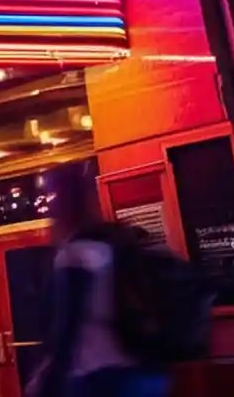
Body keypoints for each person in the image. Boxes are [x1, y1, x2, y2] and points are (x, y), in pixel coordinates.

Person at [27, 163, 170, 397]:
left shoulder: (74, 254)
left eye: (51, 197)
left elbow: (67, 326)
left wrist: (45, 380)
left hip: (99, 377)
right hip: (146, 372)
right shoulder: (114, 241)